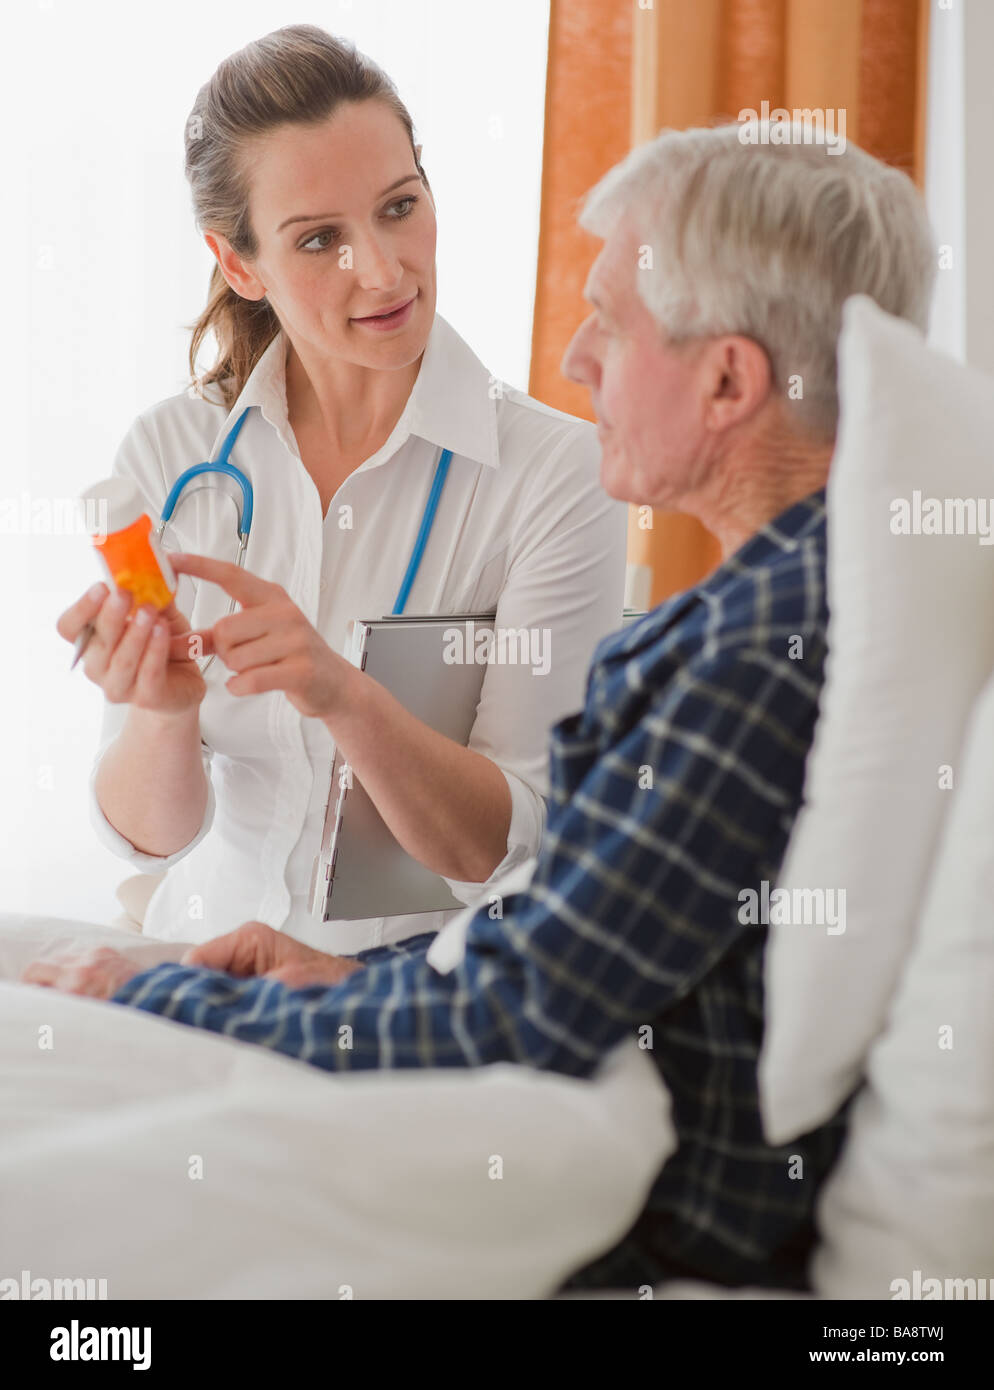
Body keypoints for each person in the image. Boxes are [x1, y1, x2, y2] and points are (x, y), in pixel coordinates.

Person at [30, 123, 936, 1291]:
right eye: (318, 236)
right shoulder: (756, 613)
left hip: (624, 1197)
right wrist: (366, 977)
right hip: (450, 1014)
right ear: (240, 262)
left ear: (727, 380)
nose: (575, 358)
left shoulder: (758, 655)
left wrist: (161, 993)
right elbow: (569, 942)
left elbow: (514, 1012)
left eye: (609, 321)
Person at [54, 24, 627, 956]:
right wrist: (165, 713)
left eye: (399, 208)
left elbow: (510, 847)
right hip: (197, 960)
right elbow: (151, 838)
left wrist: (342, 692)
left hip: (399, 996)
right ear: (240, 265)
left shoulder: (559, 478)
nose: (383, 269)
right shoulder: (173, 453)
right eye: (319, 239)